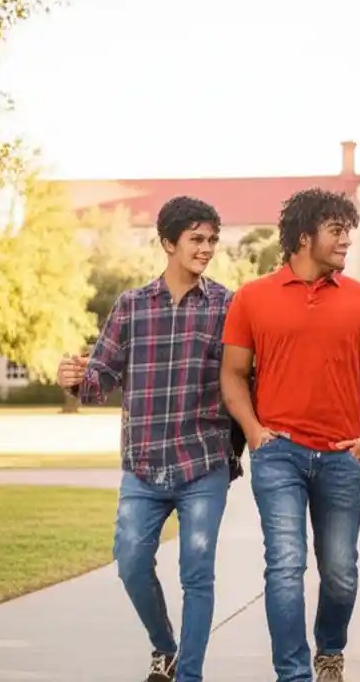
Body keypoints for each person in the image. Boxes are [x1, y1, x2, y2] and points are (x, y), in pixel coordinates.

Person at [219, 187, 360, 682]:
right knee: (285, 565)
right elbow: (233, 373)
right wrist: (254, 431)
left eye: (348, 231)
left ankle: (330, 652)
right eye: (336, 231)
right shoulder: (253, 298)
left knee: (340, 574)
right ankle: (293, 674)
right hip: (278, 454)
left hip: (344, 456)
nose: (347, 241)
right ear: (304, 237)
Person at [57, 196, 235, 682]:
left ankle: (188, 675)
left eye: (211, 240)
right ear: (168, 243)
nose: (206, 249)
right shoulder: (132, 306)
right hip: (144, 465)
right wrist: (75, 378)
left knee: (197, 573)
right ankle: (165, 647)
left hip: (203, 461)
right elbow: (100, 380)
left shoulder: (227, 306)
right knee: (132, 562)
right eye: (196, 239)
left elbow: (246, 379)